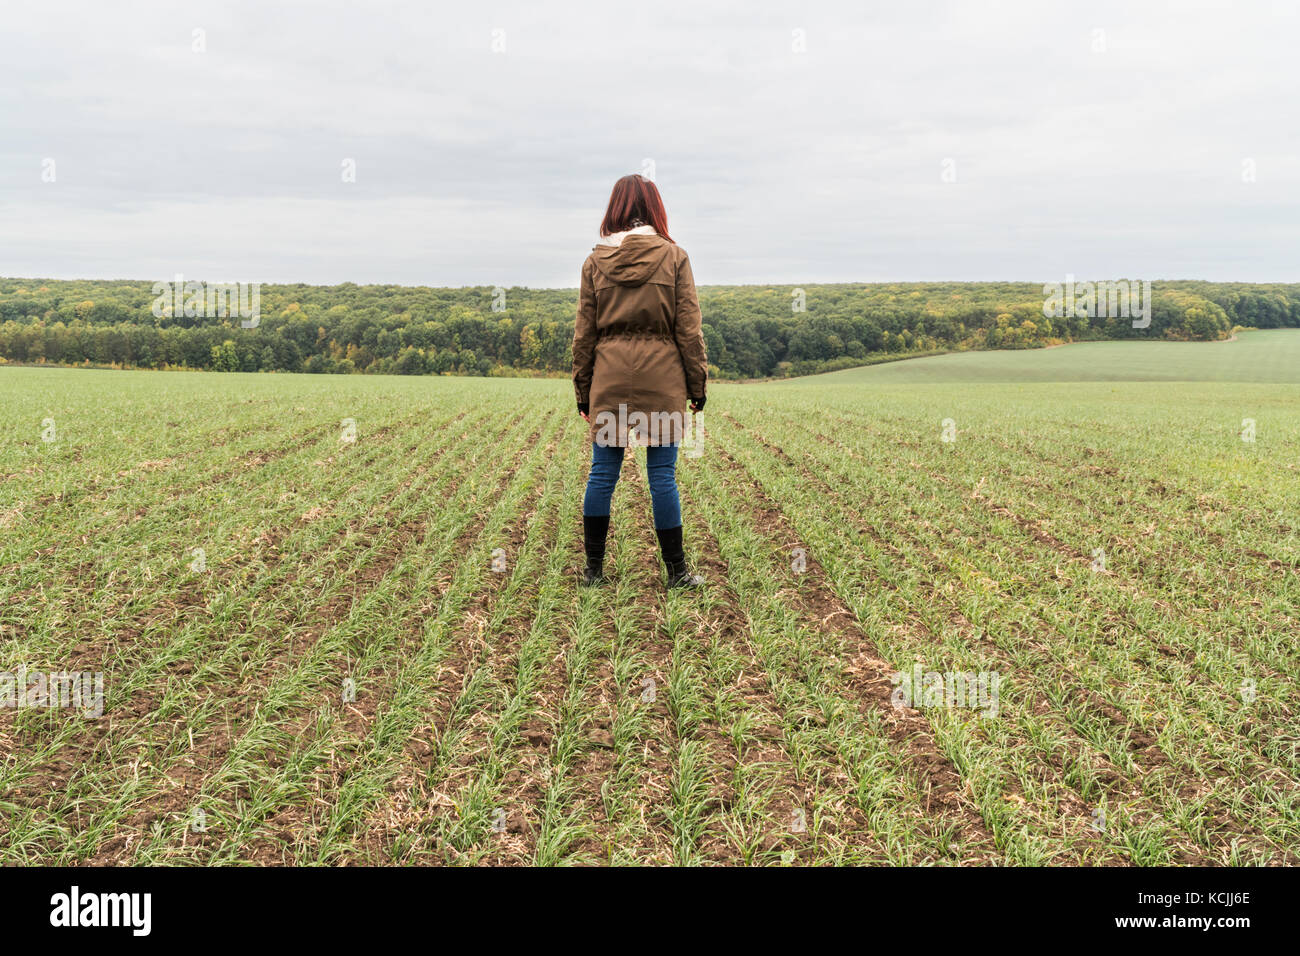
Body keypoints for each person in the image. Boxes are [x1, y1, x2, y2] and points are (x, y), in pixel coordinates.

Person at [571, 174, 708, 588]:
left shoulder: (595, 262)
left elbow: (584, 336)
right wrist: (697, 386)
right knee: (662, 474)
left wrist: (583, 391)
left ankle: (593, 571)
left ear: (614, 209)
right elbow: (689, 332)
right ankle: (677, 573)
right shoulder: (675, 257)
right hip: (662, 380)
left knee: (602, 472)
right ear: (655, 209)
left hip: (609, 380)